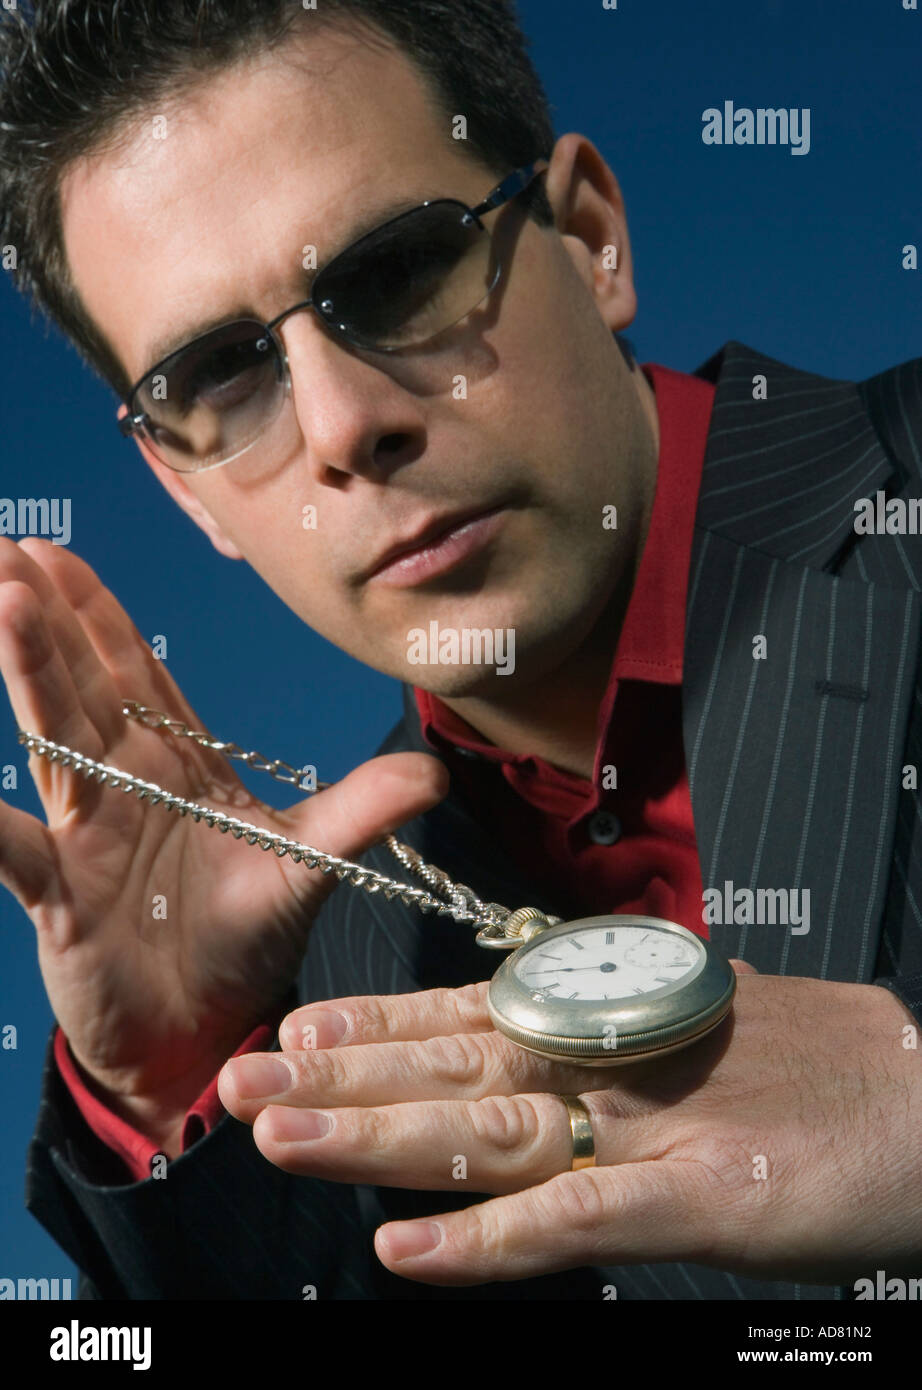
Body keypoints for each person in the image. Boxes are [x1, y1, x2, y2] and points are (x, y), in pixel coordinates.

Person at [0, 0, 920, 1302]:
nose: (339, 422)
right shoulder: (336, 974)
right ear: (183, 487)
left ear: (591, 238)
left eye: (395, 273)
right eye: (220, 374)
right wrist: (168, 1090)